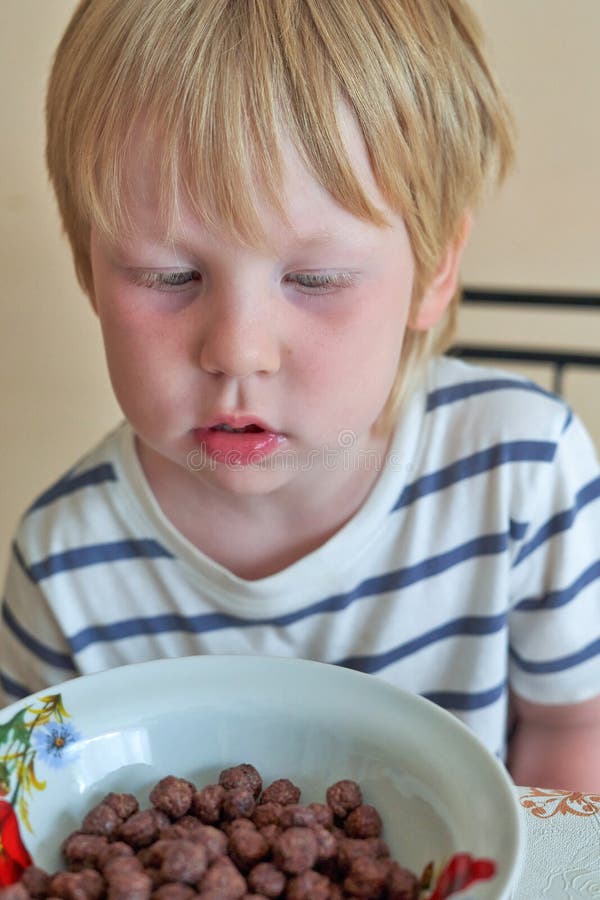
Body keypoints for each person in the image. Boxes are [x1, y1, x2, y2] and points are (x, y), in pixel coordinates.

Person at [2, 0, 599, 792]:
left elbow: (573, 725)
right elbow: (33, 812)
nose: (237, 349)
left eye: (314, 280)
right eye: (168, 276)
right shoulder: (62, 561)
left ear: (434, 271)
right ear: (88, 268)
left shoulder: (524, 474)